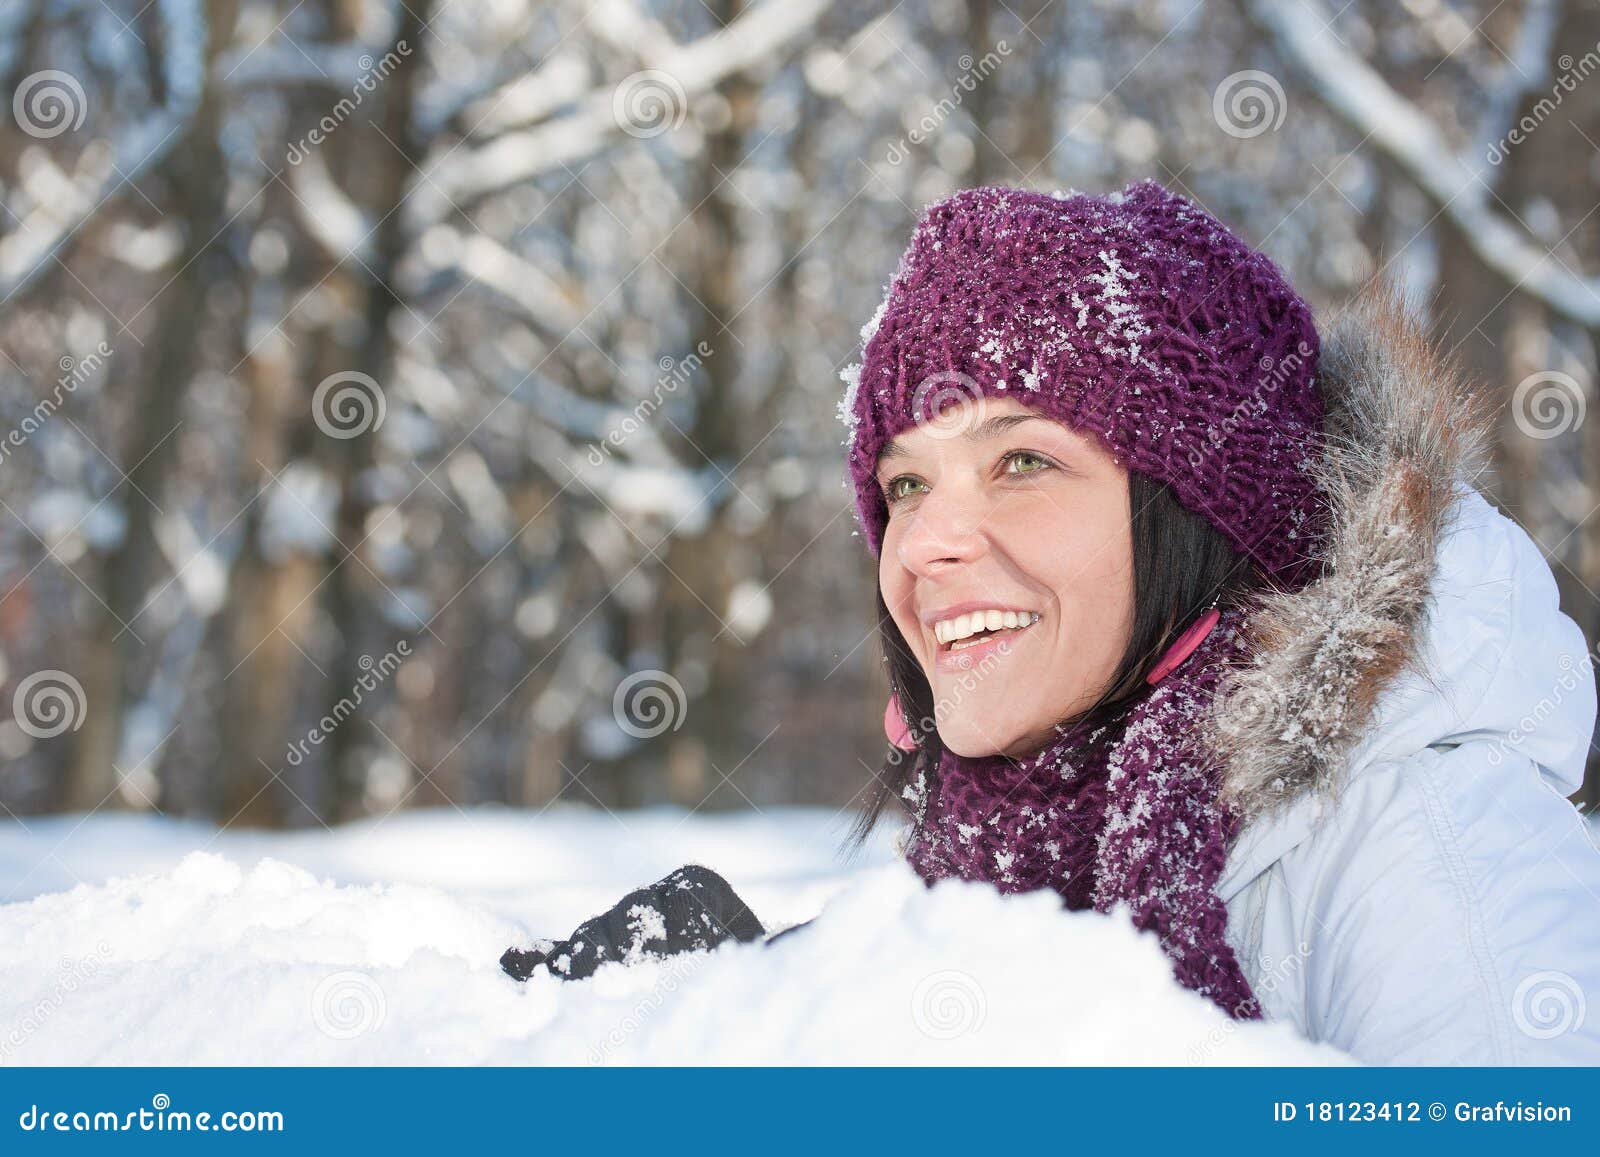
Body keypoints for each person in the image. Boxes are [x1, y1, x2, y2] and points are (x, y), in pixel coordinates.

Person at [504, 181, 1600, 1066]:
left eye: (1020, 460)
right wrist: (713, 1028)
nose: (924, 543)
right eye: (907, 486)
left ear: (1209, 508)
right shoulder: (1004, 853)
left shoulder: (1433, 854)